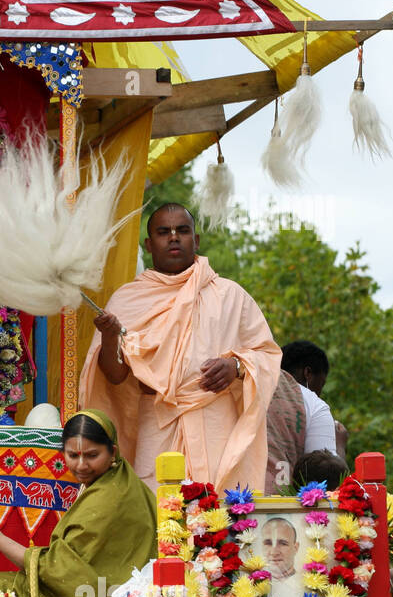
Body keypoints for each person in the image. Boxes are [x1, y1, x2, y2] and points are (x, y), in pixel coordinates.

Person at [82, 203, 281, 492]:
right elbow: (114, 376)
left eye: (183, 231)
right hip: (157, 424)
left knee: (219, 516)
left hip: (215, 424)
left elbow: (267, 354)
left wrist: (235, 366)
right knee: (159, 514)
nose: (174, 237)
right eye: (164, 232)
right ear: (149, 244)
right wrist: (111, 337)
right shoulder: (128, 299)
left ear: (196, 240)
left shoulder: (230, 295)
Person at [0, 410, 157, 597]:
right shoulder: (122, 479)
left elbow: (60, 571)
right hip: (104, 590)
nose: (81, 466)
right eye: (73, 455)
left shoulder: (107, 497)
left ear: (112, 452)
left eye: (92, 455)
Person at [281, 340, 345, 458]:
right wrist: (339, 444)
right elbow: (327, 473)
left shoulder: (252, 389)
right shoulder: (315, 405)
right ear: (308, 373)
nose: (319, 394)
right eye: (321, 384)